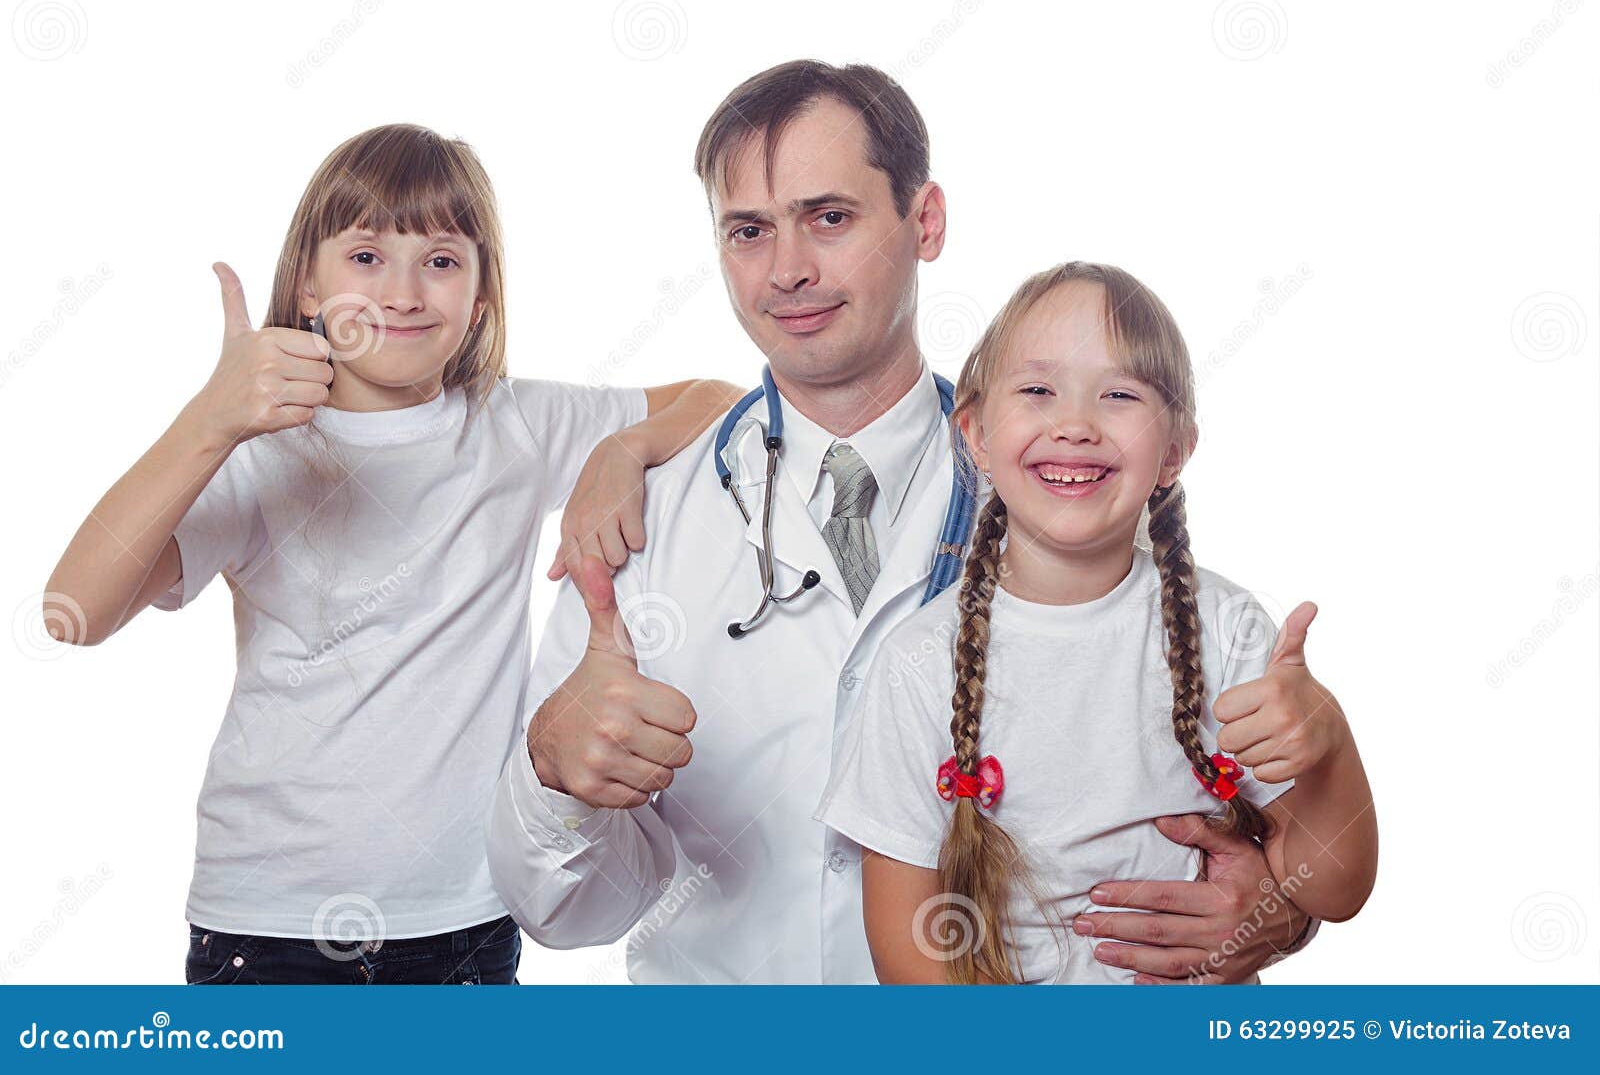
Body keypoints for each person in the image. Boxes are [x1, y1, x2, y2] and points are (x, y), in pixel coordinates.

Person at [487, 61, 1328, 983]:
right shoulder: (641, 523)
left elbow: (1217, 792)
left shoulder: (1060, 481)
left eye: (829, 217)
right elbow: (564, 913)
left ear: (925, 221)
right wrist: (554, 774)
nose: (788, 270)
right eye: (749, 231)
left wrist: (1278, 905)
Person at [42, 123, 739, 984]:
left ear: (480, 298)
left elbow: (720, 399)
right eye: (367, 257)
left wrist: (622, 451)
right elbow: (74, 610)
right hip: (269, 922)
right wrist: (209, 421)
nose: (403, 293)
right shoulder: (258, 450)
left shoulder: (514, 424)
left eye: (440, 261)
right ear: (308, 285)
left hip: (465, 919)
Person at [818, 262, 1378, 983]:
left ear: (1174, 450)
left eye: (1119, 395)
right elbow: (907, 955)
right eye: (1038, 391)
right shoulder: (918, 663)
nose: (1076, 424)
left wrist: (1329, 741)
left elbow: (1335, 890)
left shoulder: (1230, 632)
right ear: (977, 434)